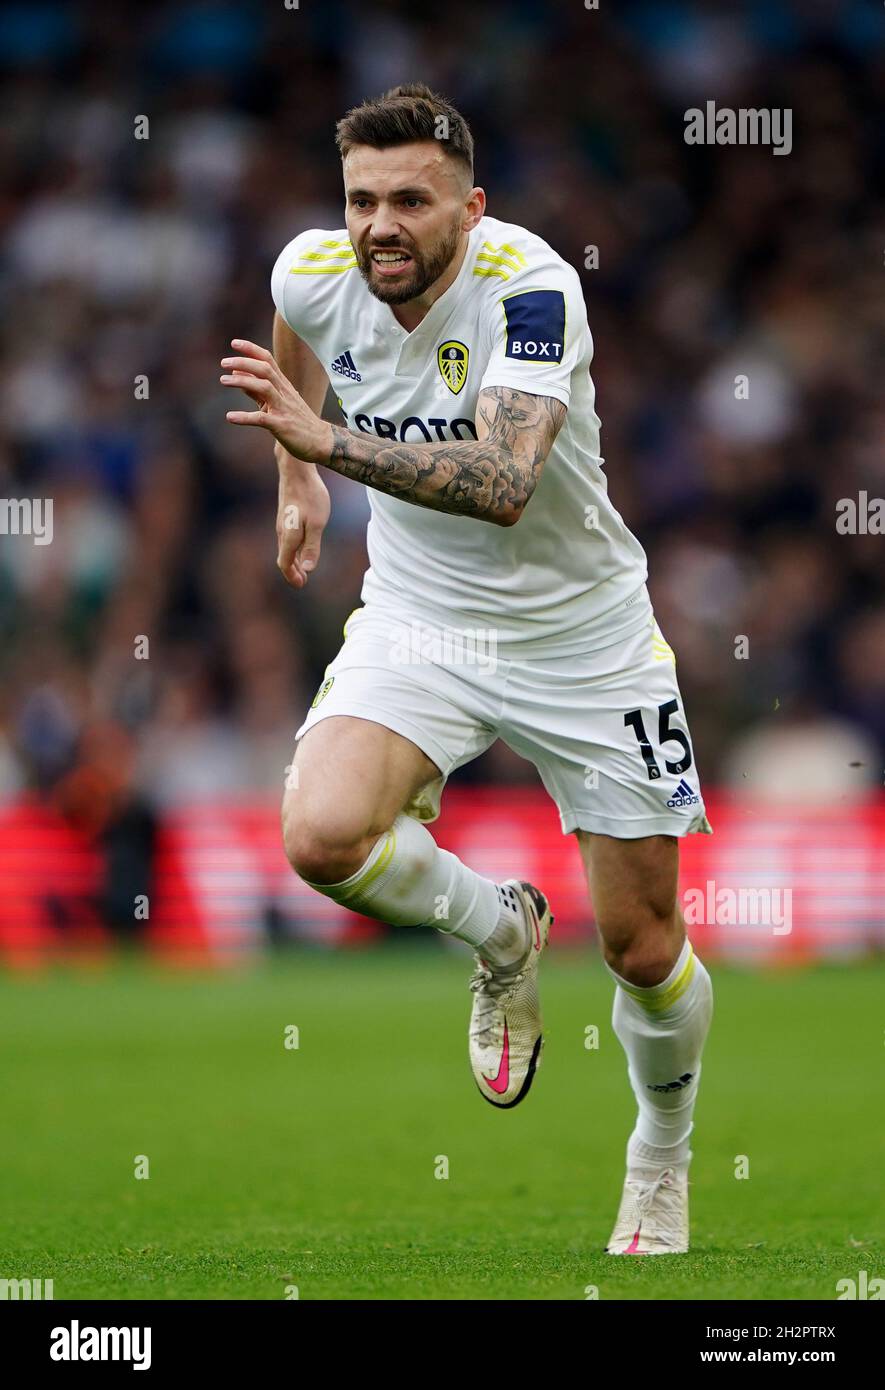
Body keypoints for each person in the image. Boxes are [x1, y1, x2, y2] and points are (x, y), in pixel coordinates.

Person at [220, 83, 713, 1255]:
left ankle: (661, 1152)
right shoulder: (314, 269)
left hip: (584, 635)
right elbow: (297, 328)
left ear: (471, 209)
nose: (378, 225)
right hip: (422, 618)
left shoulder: (533, 290)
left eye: (409, 201)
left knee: (643, 945)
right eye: (360, 200)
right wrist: (299, 483)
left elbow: (502, 486)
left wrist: (323, 444)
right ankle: (499, 932)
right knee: (322, 835)